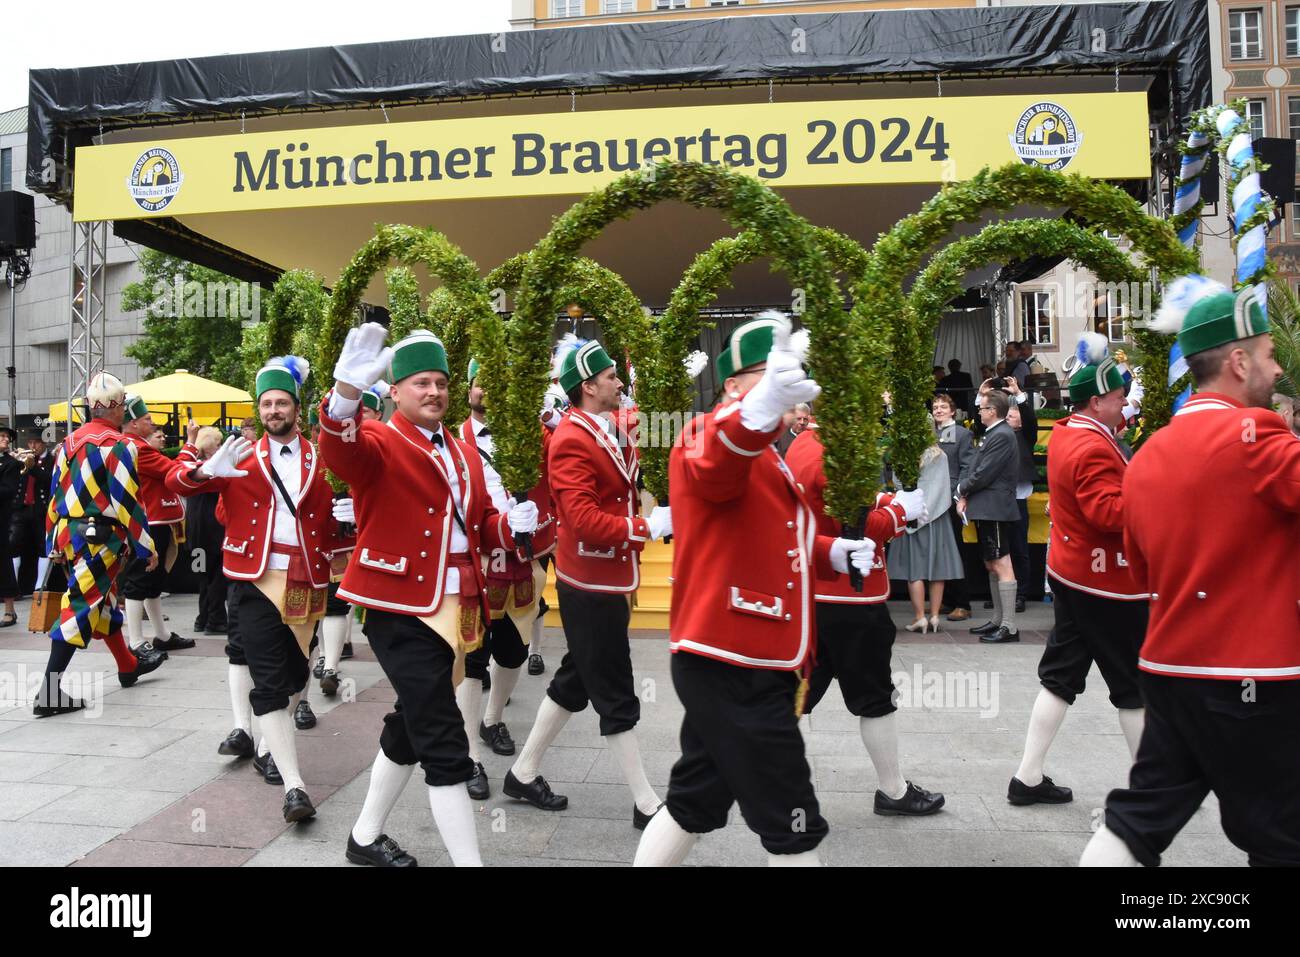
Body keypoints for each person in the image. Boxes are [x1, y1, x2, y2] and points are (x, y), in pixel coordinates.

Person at [634, 313, 878, 866]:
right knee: (794, 824)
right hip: (732, 659)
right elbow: (716, 465)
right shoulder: (705, 434)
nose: (780, 382)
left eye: (784, 372)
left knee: (694, 801)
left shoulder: (769, 451)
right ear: (731, 386)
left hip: (751, 659)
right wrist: (762, 407)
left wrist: (831, 553)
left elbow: (776, 537)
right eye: (763, 373)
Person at [1082, 278, 1300, 867]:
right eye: (1268, 354)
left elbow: (1142, 551)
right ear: (1237, 361)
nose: (1277, 369)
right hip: (1254, 675)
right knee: (1282, 839)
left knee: (1137, 819)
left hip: (1171, 666)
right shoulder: (1257, 438)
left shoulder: (1149, 452)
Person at [320, 326, 538, 867]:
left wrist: (512, 526)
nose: (434, 392)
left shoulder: (465, 453)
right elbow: (339, 450)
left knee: (411, 724)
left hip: (459, 608)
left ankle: (365, 838)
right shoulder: (377, 441)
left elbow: (480, 523)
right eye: (420, 383)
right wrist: (345, 392)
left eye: (440, 382)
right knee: (444, 740)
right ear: (395, 391)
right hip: (397, 610)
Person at [506, 335, 671, 827]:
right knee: (616, 691)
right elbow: (580, 519)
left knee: (576, 680)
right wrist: (647, 526)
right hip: (590, 584)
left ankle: (523, 770)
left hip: (609, 577)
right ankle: (645, 803)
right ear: (588, 387)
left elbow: (652, 426)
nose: (619, 382)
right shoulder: (572, 438)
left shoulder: (602, 423)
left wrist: (669, 389)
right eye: (611, 377)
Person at [169, 356, 337, 824]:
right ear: (259, 410)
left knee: (295, 676)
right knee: (267, 681)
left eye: (282, 402)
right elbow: (173, 481)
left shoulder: (322, 457)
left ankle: (267, 742)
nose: (273, 410)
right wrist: (204, 470)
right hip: (252, 578)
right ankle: (294, 786)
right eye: (266, 404)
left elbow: (339, 513)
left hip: (306, 579)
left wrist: (348, 519)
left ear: (296, 408)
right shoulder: (239, 455)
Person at [1009, 336, 1147, 808]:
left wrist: (1130, 420)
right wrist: (1157, 491)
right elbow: (1109, 514)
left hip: (1076, 575)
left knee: (1061, 677)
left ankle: (1027, 777)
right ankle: (1149, 789)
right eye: (1117, 397)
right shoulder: (1092, 447)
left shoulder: (1072, 429)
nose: (1124, 402)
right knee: (1131, 686)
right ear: (1095, 401)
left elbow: (1106, 431)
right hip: (1104, 583)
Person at [787, 402, 943, 819]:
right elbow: (853, 528)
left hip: (814, 596)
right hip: (850, 600)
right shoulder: (834, 452)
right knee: (875, 698)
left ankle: (771, 782)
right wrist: (898, 512)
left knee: (797, 698)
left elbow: (840, 501)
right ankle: (892, 790)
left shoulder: (806, 443)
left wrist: (890, 501)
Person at [453, 357, 557, 800]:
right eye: (480, 384)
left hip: (518, 557)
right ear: (470, 390)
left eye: (496, 384)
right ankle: (470, 753)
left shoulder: (531, 434)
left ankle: (492, 719)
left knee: (512, 655)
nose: (486, 392)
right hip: (473, 559)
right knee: (473, 658)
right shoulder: (454, 440)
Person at [33, 373, 163, 716]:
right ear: (118, 408)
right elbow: (126, 500)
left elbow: (55, 496)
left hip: (70, 534)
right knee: (81, 606)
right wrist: (145, 545)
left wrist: (52, 541)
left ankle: (127, 665)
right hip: (100, 538)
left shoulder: (69, 443)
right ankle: (48, 692)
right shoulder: (118, 445)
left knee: (102, 603)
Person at [119, 395, 195, 654]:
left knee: (153, 579)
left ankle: (160, 635)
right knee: (140, 580)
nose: (153, 424)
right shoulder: (138, 447)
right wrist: (193, 444)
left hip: (156, 518)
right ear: (133, 423)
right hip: (149, 520)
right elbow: (173, 469)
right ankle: (136, 641)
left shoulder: (136, 444)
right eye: (147, 419)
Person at [887, 417, 964, 635]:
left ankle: (920, 617)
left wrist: (913, 509)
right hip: (937, 518)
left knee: (915, 571)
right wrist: (933, 507)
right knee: (937, 570)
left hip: (913, 516)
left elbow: (899, 485)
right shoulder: (941, 456)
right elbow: (944, 487)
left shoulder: (903, 455)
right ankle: (936, 616)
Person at [955, 389, 1020, 643]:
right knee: (992, 563)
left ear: (993, 411)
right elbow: (977, 468)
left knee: (1002, 564)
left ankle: (1009, 626)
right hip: (988, 505)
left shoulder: (1002, 435)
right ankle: (998, 619)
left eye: (982, 408)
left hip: (995, 506)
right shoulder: (994, 433)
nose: (979, 412)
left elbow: (984, 473)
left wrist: (961, 489)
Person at [932, 394, 975, 621]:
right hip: (931, 499)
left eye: (943, 407)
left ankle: (962, 602)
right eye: (935, 407)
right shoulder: (931, 433)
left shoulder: (962, 434)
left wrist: (961, 495)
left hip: (950, 498)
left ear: (952, 411)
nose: (938, 410)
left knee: (955, 550)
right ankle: (947, 600)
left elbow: (967, 468)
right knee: (938, 551)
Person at [187, 426, 229, 635]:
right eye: (218, 443)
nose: (221, 447)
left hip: (195, 532)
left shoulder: (192, 469)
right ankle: (216, 619)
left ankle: (202, 618)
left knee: (203, 577)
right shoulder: (212, 470)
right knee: (217, 576)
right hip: (213, 531)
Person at [12, 430, 55, 595]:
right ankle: (14, 586)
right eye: (30, 443)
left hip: (40, 508)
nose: (32, 446)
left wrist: (33, 468)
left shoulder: (50, 460)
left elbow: (49, 480)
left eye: (36, 442)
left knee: (42, 546)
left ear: (43, 443)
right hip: (21, 508)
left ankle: (40, 586)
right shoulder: (22, 459)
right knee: (14, 545)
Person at [1005, 400, 1035, 615]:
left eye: (1012, 416)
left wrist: (1019, 397)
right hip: (999, 497)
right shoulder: (998, 436)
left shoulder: (1026, 436)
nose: (1007, 419)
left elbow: (1031, 419)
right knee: (1001, 547)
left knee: (1019, 547)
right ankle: (1002, 593)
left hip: (1018, 497)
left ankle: (1021, 594)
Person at [0, 428, 23, 626]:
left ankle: (10, 610)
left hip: (1, 520)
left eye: (7, 437)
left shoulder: (11, 464)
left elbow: (8, 490)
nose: (5, 439)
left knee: (3, 563)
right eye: (1, 436)